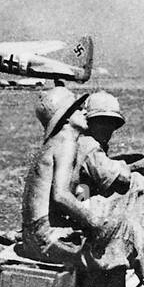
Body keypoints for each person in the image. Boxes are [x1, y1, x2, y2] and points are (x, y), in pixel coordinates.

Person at [74, 91, 144, 287]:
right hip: (82, 228)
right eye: (102, 122)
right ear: (90, 123)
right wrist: (131, 168)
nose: (107, 128)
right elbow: (113, 176)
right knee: (118, 265)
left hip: (85, 222)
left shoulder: (89, 146)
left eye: (111, 123)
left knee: (136, 272)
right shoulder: (88, 146)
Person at [20, 86, 100, 266]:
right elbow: (60, 195)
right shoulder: (66, 141)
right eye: (78, 109)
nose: (85, 111)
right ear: (66, 118)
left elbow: (74, 187)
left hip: (33, 238)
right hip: (47, 239)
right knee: (110, 245)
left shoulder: (54, 143)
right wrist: (94, 221)